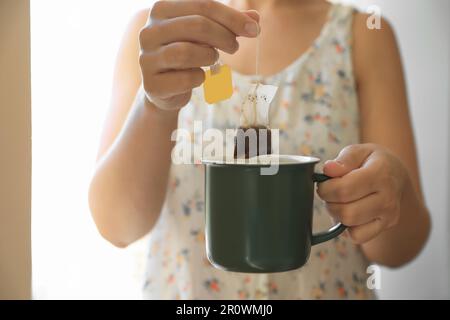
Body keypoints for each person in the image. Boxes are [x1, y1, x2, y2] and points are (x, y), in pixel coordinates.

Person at [88, 0, 430, 299]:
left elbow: (400, 249)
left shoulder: (363, 34)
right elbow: (117, 227)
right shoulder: (160, 36)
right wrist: (154, 106)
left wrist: (390, 192)